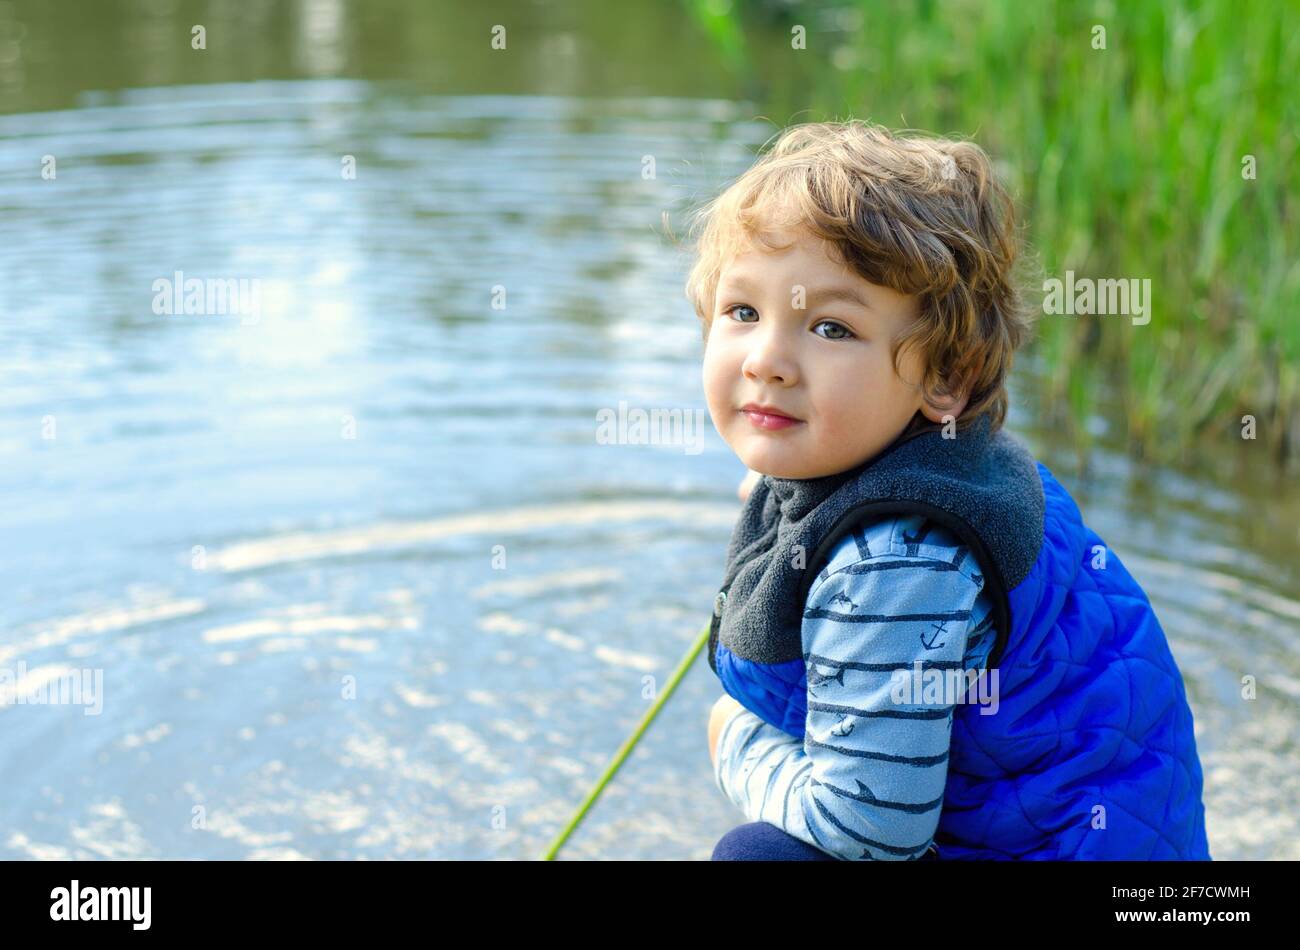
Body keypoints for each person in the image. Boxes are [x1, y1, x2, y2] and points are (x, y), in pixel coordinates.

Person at [687, 120, 1211, 860]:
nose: (768, 359)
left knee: (759, 856)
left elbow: (868, 828)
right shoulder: (961, 467)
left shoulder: (897, 563)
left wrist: (733, 741)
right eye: (743, 312)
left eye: (832, 328)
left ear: (945, 379)